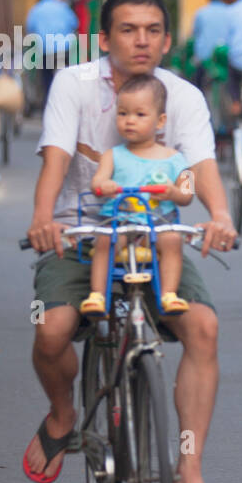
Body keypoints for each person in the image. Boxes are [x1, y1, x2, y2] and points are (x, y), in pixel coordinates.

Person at [24, 0, 237, 483]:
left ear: (166, 40)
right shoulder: (73, 84)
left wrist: (220, 215)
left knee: (204, 328)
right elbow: (56, 158)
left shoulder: (182, 95)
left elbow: (202, 165)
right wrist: (43, 218)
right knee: (52, 331)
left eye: (152, 30)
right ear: (104, 39)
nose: (141, 40)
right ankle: (63, 414)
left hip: (155, 234)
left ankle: (189, 471)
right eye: (128, 29)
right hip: (82, 234)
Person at [80, 73, 195, 318]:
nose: (129, 120)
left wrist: (173, 192)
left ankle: (169, 294)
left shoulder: (176, 158)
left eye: (140, 114)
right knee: (105, 240)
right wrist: (104, 185)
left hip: (158, 224)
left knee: (173, 240)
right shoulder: (112, 155)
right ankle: (97, 294)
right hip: (120, 221)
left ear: (160, 121)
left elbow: (188, 192)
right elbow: (96, 182)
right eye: (123, 113)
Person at [24, 0, 79, 113]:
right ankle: (67, 103)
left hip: (46, 50)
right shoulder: (62, 7)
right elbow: (74, 23)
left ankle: (49, 105)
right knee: (65, 76)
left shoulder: (36, 10)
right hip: (64, 49)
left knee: (47, 78)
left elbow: (30, 29)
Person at [191, 0, 230, 68]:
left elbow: (194, 34)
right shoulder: (230, 11)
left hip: (203, 58)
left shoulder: (201, 13)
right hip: (224, 58)